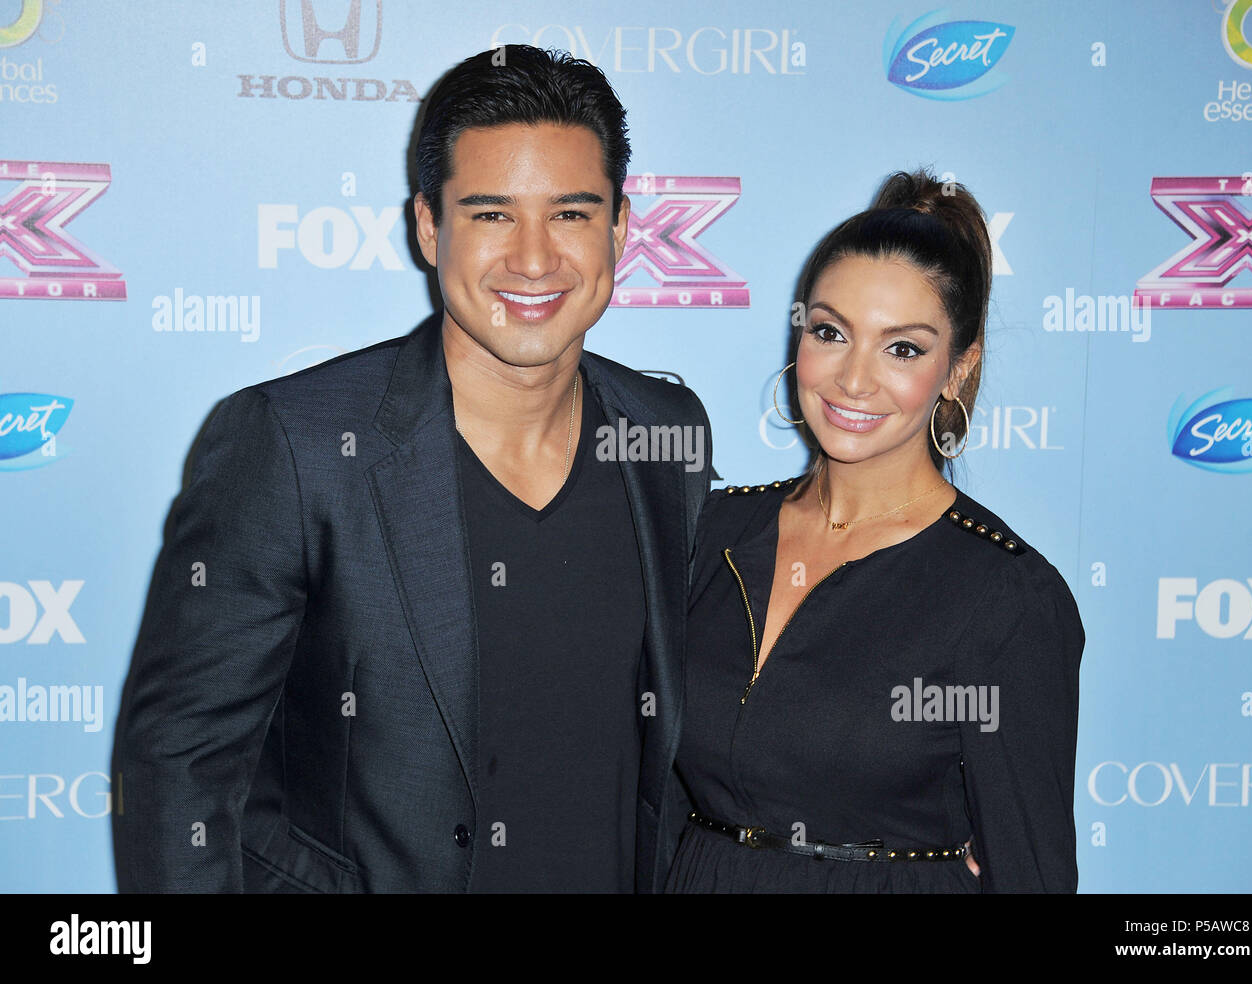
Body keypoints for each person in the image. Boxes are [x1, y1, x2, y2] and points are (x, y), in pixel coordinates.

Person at [111, 44, 712, 893]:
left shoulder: (666, 433)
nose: (535, 260)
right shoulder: (293, 443)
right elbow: (180, 762)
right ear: (429, 226)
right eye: (492, 214)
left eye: (572, 214)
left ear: (619, 227)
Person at [665, 170, 1083, 893]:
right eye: (830, 332)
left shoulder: (1005, 595)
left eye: (903, 349)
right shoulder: (711, 531)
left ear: (959, 369)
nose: (853, 380)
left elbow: (1032, 874)